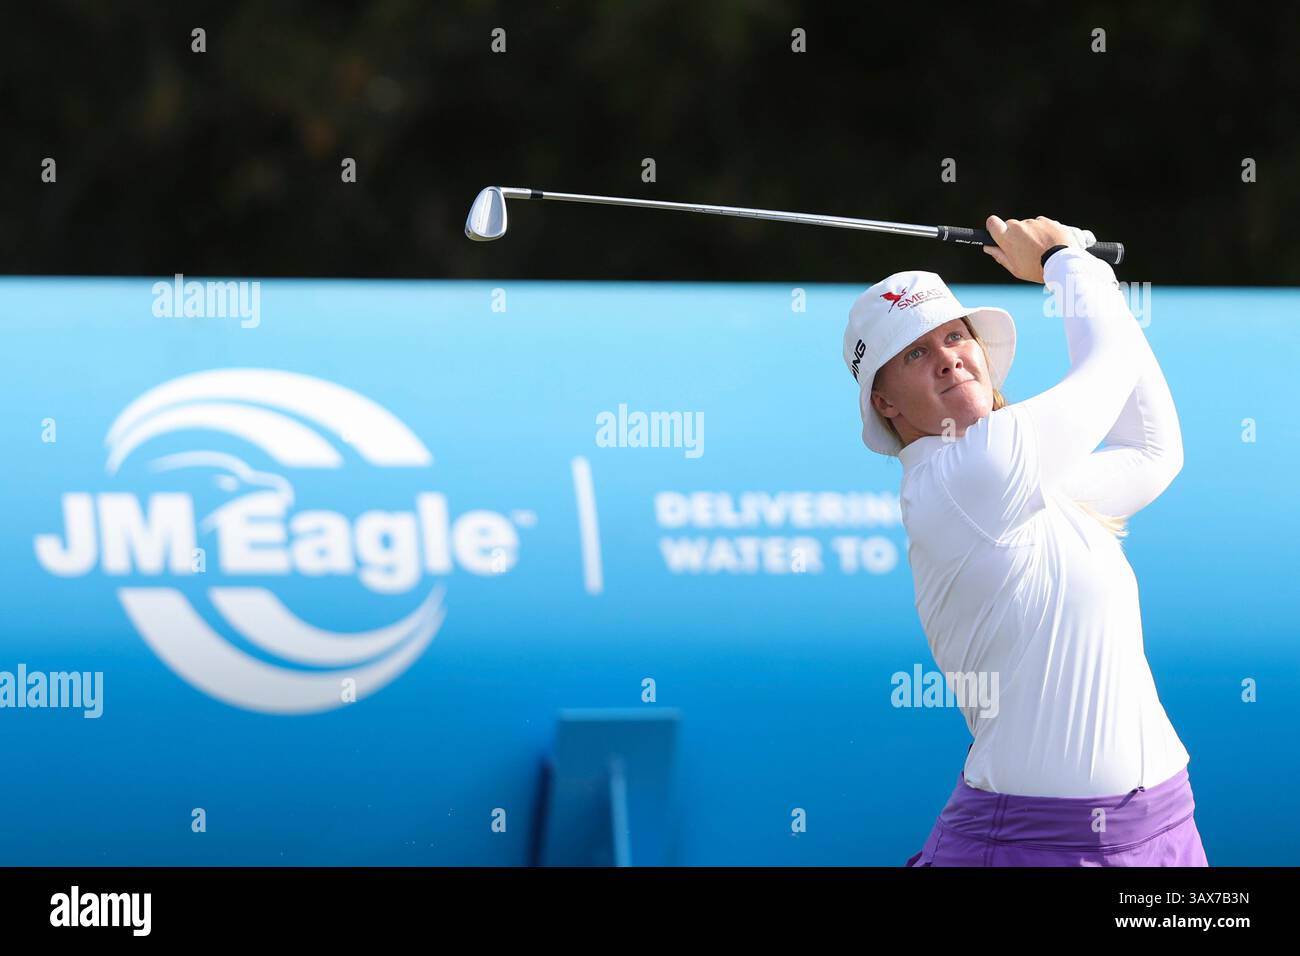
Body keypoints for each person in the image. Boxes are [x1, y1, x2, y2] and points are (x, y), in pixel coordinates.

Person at [843, 215, 1209, 866]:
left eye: (955, 335)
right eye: (915, 353)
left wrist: (1075, 269)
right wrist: (1065, 265)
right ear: (888, 404)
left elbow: (1153, 450)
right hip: (1035, 845)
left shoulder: (1028, 487)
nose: (949, 354)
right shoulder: (966, 474)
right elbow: (1110, 362)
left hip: (1163, 828)